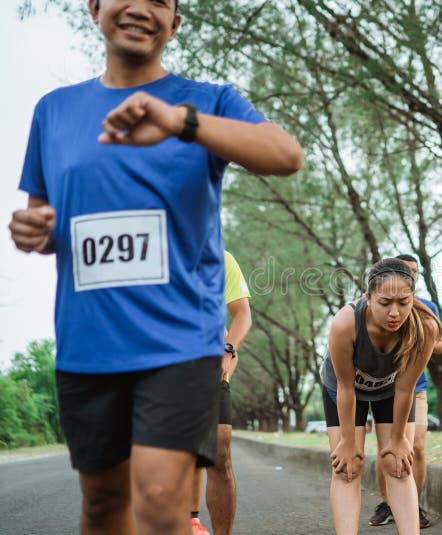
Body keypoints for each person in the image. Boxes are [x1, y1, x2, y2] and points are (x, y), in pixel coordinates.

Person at [8, 0, 302, 533]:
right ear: (94, 8)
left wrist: (178, 122)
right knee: (102, 506)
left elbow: (285, 154)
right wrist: (34, 234)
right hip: (89, 343)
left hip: (180, 342)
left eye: (161, 1)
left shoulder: (208, 102)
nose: (141, 8)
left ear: (175, 22)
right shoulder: (54, 110)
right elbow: (42, 220)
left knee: (162, 499)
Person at [320, 258, 442, 535]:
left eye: (403, 301)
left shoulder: (424, 328)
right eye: (385, 302)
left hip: (391, 390)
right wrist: (349, 442)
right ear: (368, 297)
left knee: (398, 465)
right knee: (347, 468)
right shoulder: (345, 324)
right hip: (344, 390)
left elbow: (405, 387)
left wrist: (398, 440)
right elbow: (346, 387)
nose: (395, 312)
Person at [370, 254, 442, 530]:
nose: (412, 274)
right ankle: (387, 502)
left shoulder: (426, 307)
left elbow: (439, 345)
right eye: (407, 270)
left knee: (416, 446)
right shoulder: (383, 305)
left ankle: (413, 504)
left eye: (416, 271)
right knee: (385, 449)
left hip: (415, 385)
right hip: (381, 386)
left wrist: (418, 337)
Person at [190, 251, 252, 535]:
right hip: (159, 363)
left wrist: (228, 350)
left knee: (219, 450)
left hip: (209, 362)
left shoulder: (219, 257)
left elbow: (242, 313)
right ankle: (189, 520)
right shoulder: (148, 250)